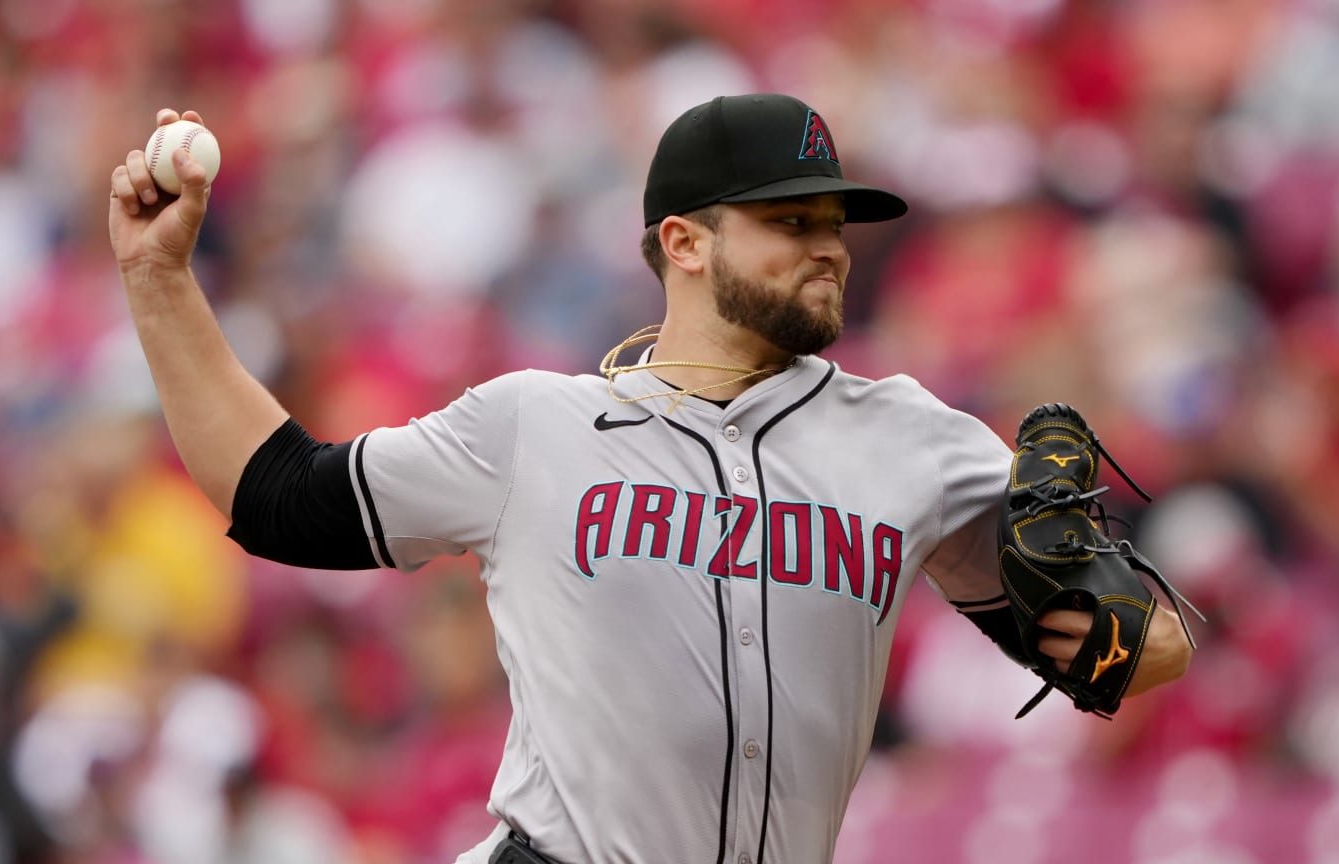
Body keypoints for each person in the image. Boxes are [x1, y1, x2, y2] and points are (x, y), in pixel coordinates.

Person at [108, 94, 1193, 864]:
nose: (830, 248)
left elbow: (1141, 660)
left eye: (834, 224)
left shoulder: (913, 438)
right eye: (790, 222)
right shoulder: (538, 423)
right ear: (684, 242)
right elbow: (279, 494)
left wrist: (1098, 601)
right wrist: (157, 281)